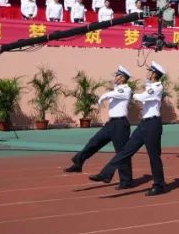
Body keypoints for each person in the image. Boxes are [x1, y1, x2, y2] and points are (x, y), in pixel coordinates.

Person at [91, 62, 168, 196]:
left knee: (154, 156)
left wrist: (130, 93)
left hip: (153, 125)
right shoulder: (151, 86)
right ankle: (106, 173)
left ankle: (159, 185)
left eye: (149, 71)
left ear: (155, 74)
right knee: (126, 151)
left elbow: (142, 97)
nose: (147, 73)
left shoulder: (157, 87)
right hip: (143, 124)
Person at [65, 66, 134, 189]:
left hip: (120, 125)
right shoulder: (118, 89)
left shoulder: (126, 90)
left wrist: (102, 97)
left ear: (123, 78)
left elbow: (112, 94)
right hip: (111, 124)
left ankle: (126, 181)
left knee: (121, 153)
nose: (115, 78)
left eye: (117, 76)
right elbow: (114, 92)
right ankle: (78, 162)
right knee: (94, 142)